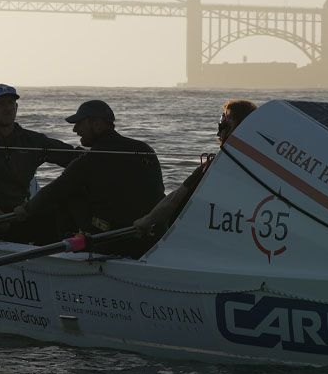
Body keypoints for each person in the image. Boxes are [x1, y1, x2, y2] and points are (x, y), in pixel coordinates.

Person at [14, 100, 163, 257]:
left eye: (79, 123)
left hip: (113, 241)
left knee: (67, 195)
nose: (75, 129)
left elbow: (55, 190)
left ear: (97, 125)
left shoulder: (91, 159)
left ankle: (67, 253)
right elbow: (158, 193)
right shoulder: (145, 149)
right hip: (151, 237)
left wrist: (25, 209)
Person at [0, 84, 82, 243]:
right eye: (0, 103)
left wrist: (98, 156)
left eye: (10, 103)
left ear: (16, 107)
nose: (7, 108)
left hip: (18, 212)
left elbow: (69, 156)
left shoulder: (31, 140)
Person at [134, 99, 257, 238]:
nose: (219, 130)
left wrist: (145, 221)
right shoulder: (259, 164)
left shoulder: (216, 166)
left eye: (224, 122)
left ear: (232, 127)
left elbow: (175, 199)